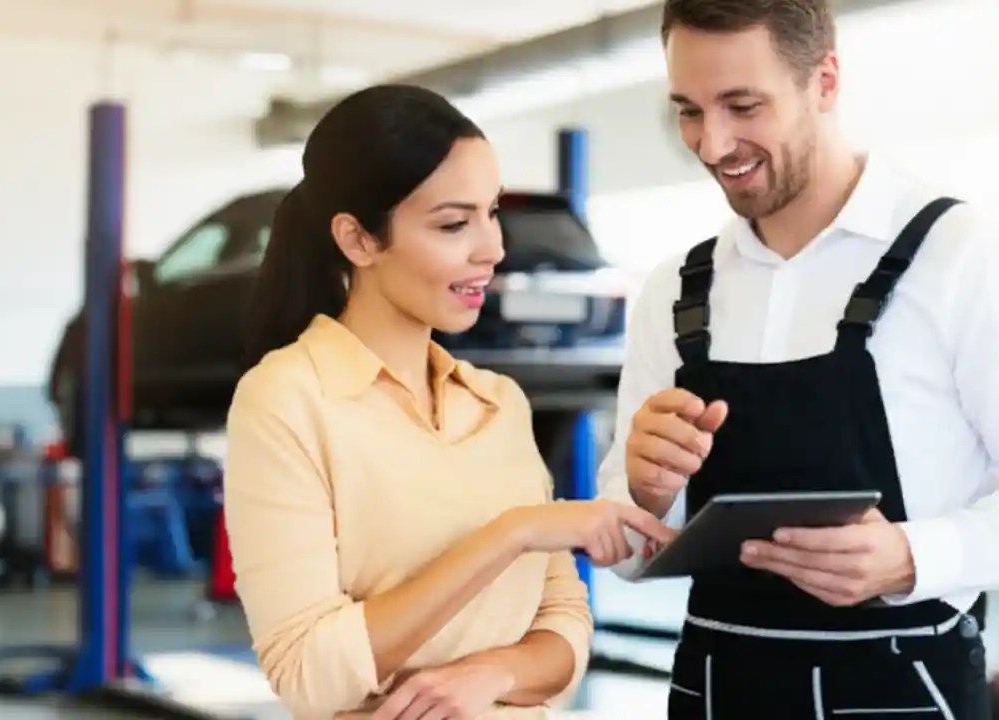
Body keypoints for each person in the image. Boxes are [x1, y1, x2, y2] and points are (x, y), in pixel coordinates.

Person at [598, 1, 999, 717]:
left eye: (744, 106)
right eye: (689, 111)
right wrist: (645, 494)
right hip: (714, 688)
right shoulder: (675, 291)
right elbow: (623, 551)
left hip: (903, 689)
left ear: (826, 81)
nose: (714, 144)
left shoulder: (966, 255)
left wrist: (913, 556)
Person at [223, 84, 674, 720]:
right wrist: (511, 534)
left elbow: (566, 628)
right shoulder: (286, 401)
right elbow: (309, 673)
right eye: (454, 223)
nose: (491, 248)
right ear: (358, 241)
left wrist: (490, 673)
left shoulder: (498, 405)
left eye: (491, 214)